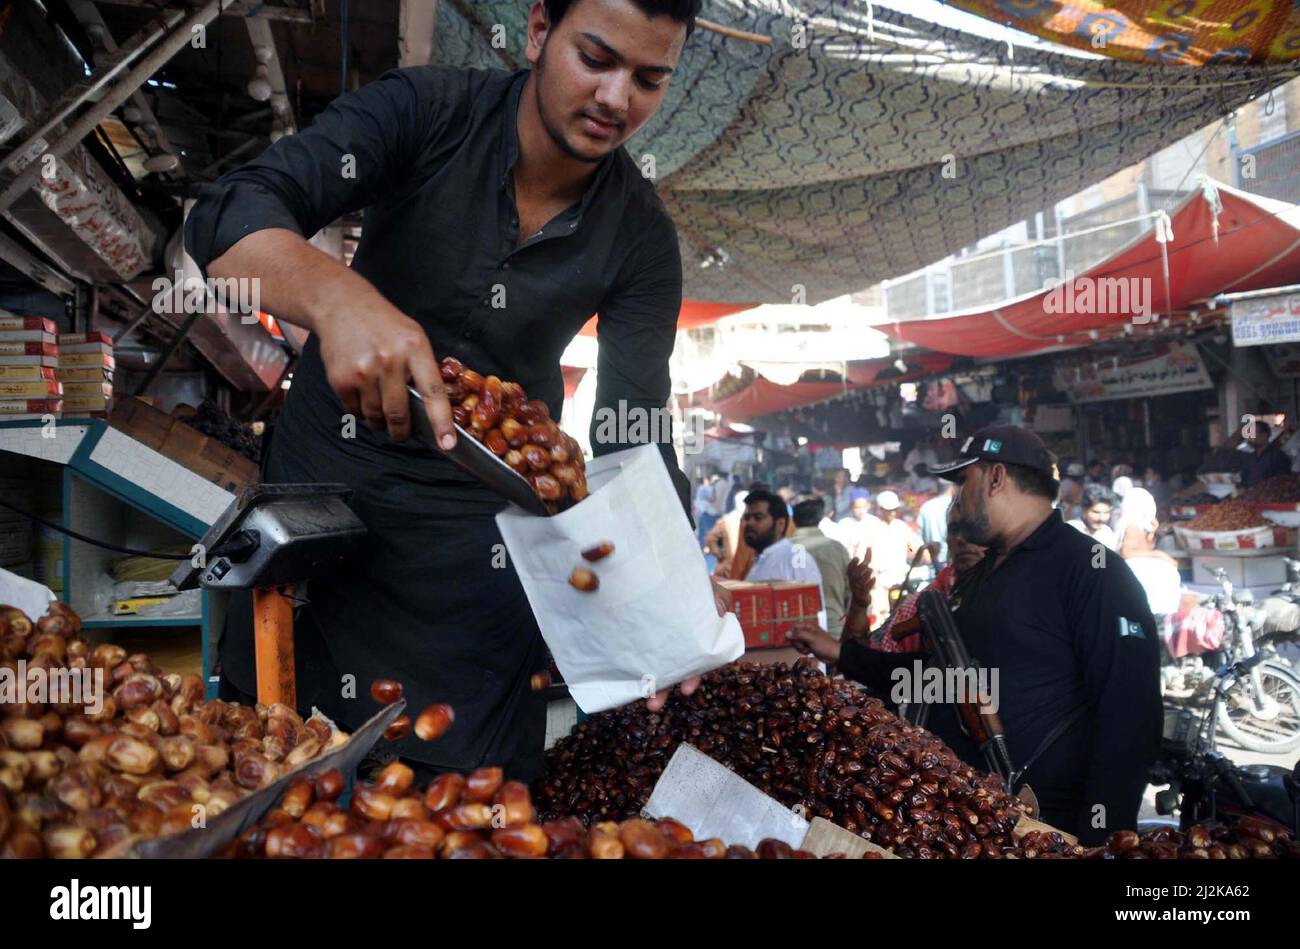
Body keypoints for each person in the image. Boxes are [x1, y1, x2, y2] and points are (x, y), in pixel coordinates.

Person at [183, 0, 715, 780]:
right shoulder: (426, 111)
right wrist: (337, 300)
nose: (615, 99)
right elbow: (228, 219)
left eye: (648, 78)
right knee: (273, 778)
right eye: (595, 59)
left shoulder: (641, 237)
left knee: (465, 808)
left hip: (478, 575)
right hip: (324, 528)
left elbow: (633, 433)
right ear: (539, 30)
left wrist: (669, 587)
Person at [791, 424, 1161, 844]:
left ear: (997, 478)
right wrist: (842, 654)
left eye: (962, 482)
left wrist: (1100, 841)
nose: (957, 499)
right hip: (968, 824)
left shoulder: (1091, 572)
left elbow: (1131, 717)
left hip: (1045, 831)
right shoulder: (983, 576)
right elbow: (939, 680)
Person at [743, 490, 827, 628]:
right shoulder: (762, 559)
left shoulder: (796, 559)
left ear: (780, 524)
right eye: (747, 518)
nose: (749, 523)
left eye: (758, 517)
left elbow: (815, 620)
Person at [790, 498, 851, 639]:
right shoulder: (837, 549)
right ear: (820, 519)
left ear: (794, 520)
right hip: (833, 629)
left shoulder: (782, 551)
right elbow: (852, 591)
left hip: (795, 634)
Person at [1067, 483, 1117, 551]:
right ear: (1084, 510)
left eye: (1106, 513)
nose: (1101, 518)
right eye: (1096, 512)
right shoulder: (1071, 529)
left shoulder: (1107, 533)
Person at [916, 482, 955, 568]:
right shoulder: (953, 505)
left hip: (931, 563)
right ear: (952, 488)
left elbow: (919, 537)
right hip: (949, 562)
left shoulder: (926, 507)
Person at [1243, 421, 1292, 487]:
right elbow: (1245, 481)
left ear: (1264, 435)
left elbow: (1283, 482)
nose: (1249, 437)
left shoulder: (1278, 456)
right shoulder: (1250, 458)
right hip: (1252, 495)